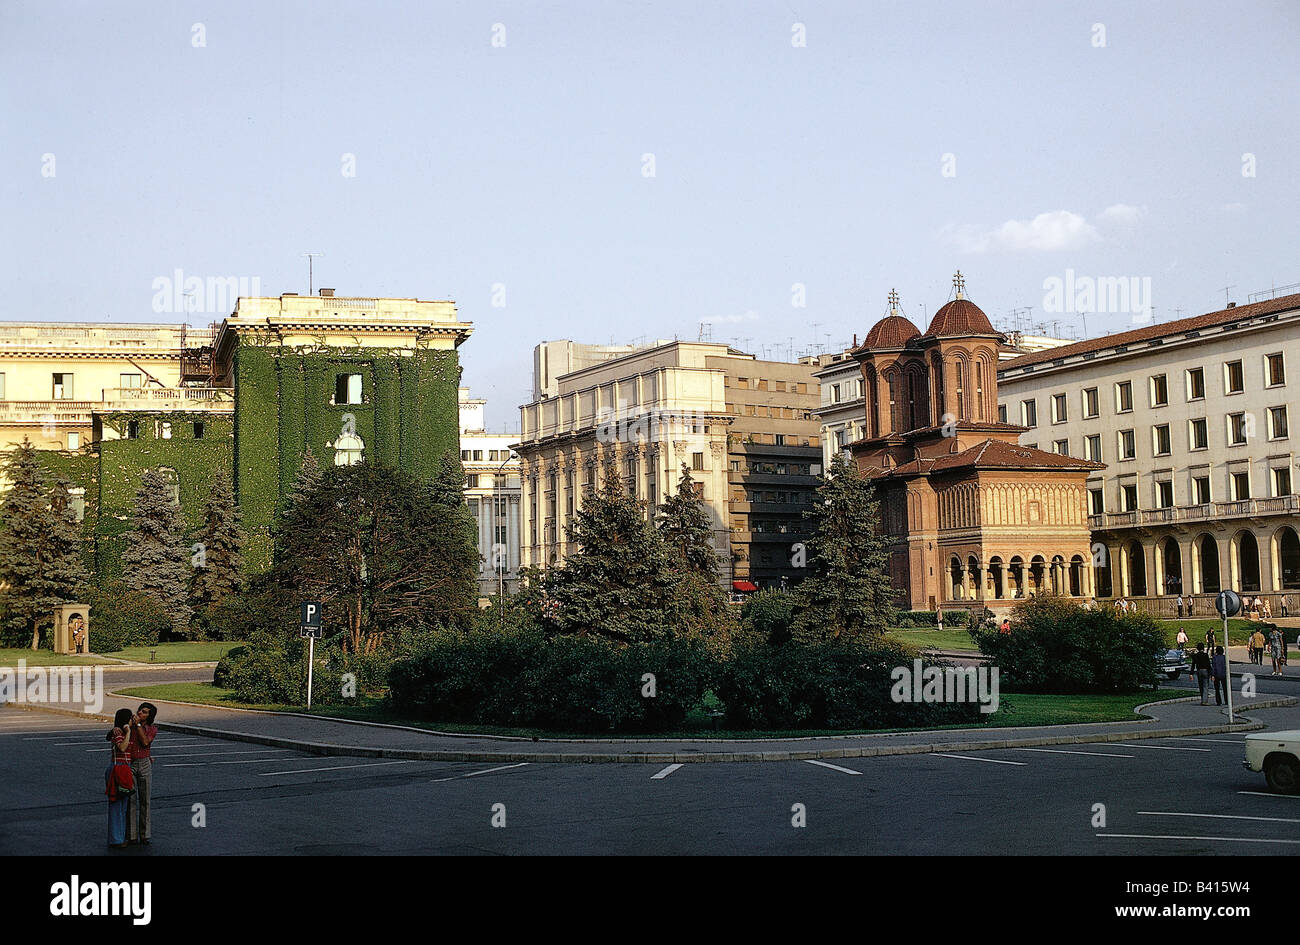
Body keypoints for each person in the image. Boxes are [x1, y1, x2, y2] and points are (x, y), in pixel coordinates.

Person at [127, 703, 158, 845]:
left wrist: (138, 726)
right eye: (140, 710)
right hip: (131, 763)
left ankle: (144, 834)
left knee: (145, 799)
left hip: (144, 762)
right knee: (131, 800)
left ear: (149, 716)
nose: (140, 713)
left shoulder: (151, 729)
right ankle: (132, 835)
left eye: (144, 712)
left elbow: (145, 742)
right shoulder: (130, 725)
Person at [105, 708, 134, 849]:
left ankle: (120, 836)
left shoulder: (126, 732)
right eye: (130, 718)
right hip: (118, 768)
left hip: (125, 768)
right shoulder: (118, 733)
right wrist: (128, 732)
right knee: (116, 805)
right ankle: (116, 839)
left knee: (123, 806)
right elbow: (122, 748)